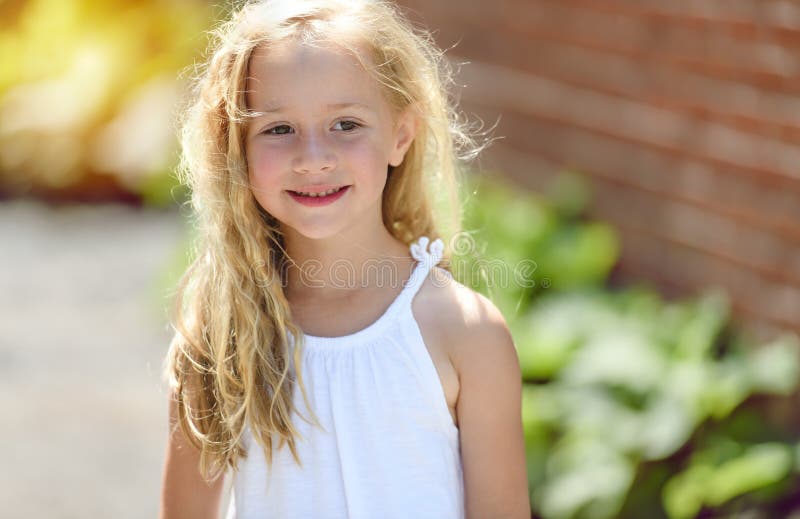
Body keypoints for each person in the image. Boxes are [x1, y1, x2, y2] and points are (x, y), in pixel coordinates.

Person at [159, 1, 530, 517]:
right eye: (279, 129)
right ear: (236, 147)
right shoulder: (221, 330)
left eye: (347, 124)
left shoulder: (464, 332)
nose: (313, 157)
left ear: (401, 135)